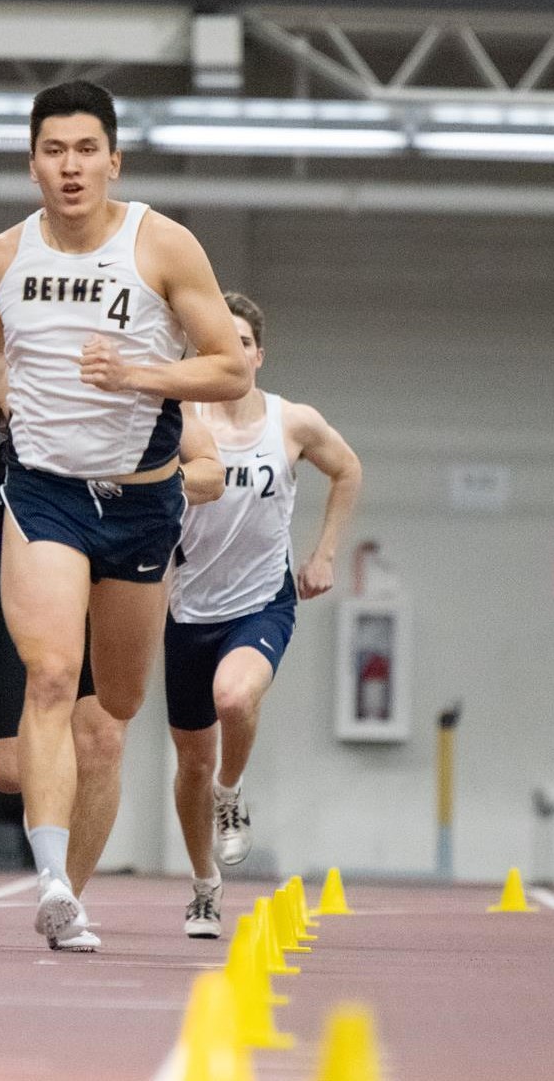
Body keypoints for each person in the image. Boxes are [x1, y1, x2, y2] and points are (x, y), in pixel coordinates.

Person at [0, 78, 250, 946]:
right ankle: (52, 882)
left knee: (113, 703)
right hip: (44, 493)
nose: (71, 166)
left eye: (87, 150)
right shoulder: (2, 256)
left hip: (143, 501)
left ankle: (68, 875)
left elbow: (229, 368)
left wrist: (140, 375)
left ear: (113, 160)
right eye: (55, 150)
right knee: (50, 678)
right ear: (33, 162)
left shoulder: (162, 247)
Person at [0, 365, 222, 949]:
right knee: (6, 769)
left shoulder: (141, 376)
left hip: (120, 562)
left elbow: (212, 468)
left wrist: (151, 484)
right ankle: (53, 812)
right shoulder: (18, 368)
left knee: (108, 733)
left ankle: (64, 893)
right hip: (37, 565)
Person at [165, 292, 362, 939]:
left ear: (258, 353)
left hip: (261, 603)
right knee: (187, 763)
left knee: (235, 697)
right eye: (221, 341)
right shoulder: (179, 419)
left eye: (244, 341)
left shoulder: (292, 422)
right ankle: (203, 887)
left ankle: (232, 790)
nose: (235, 352)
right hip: (189, 609)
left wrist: (325, 554)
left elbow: (348, 470)